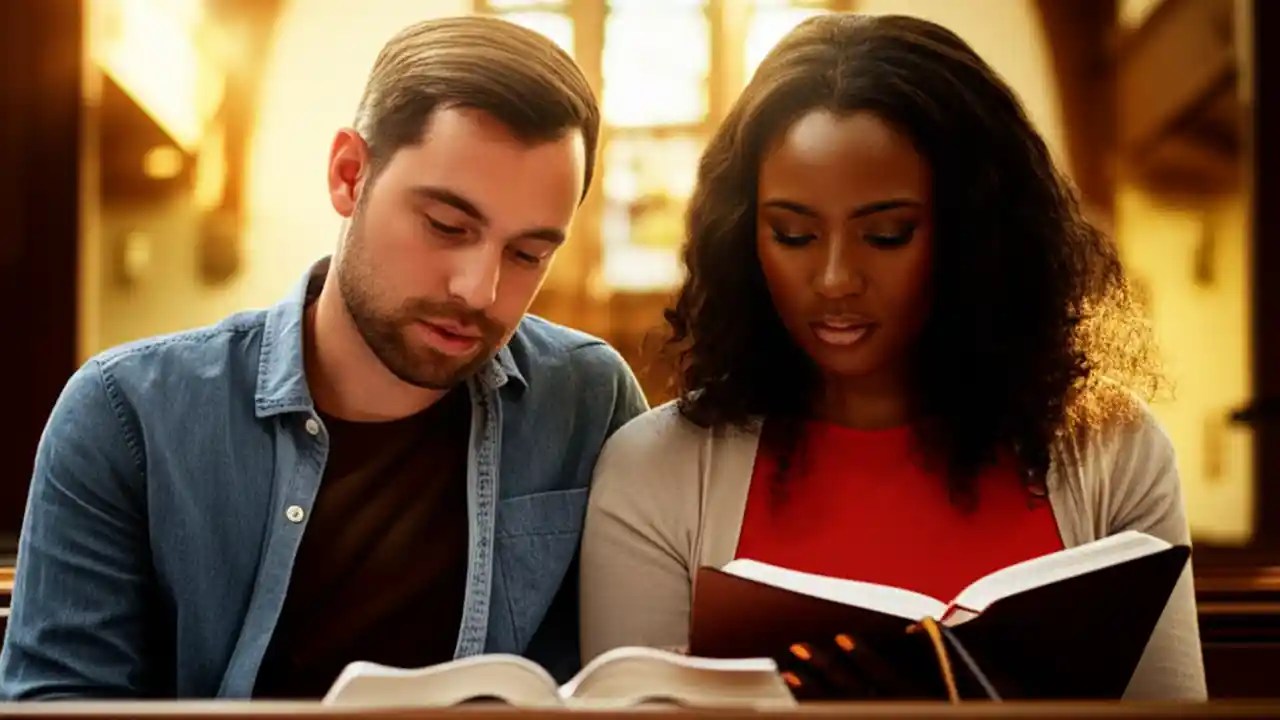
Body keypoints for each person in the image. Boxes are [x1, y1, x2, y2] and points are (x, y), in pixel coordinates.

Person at [0, 16, 646, 700]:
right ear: (348, 174)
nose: (479, 290)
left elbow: (640, 684)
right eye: (447, 227)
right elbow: (58, 704)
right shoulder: (126, 416)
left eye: (528, 255)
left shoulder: (588, 401)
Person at [580, 13, 1205, 700]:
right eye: (793, 235)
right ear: (742, 237)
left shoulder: (1114, 450)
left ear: (974, 234)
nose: (835, 279)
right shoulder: (657, 470)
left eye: (886, 235)